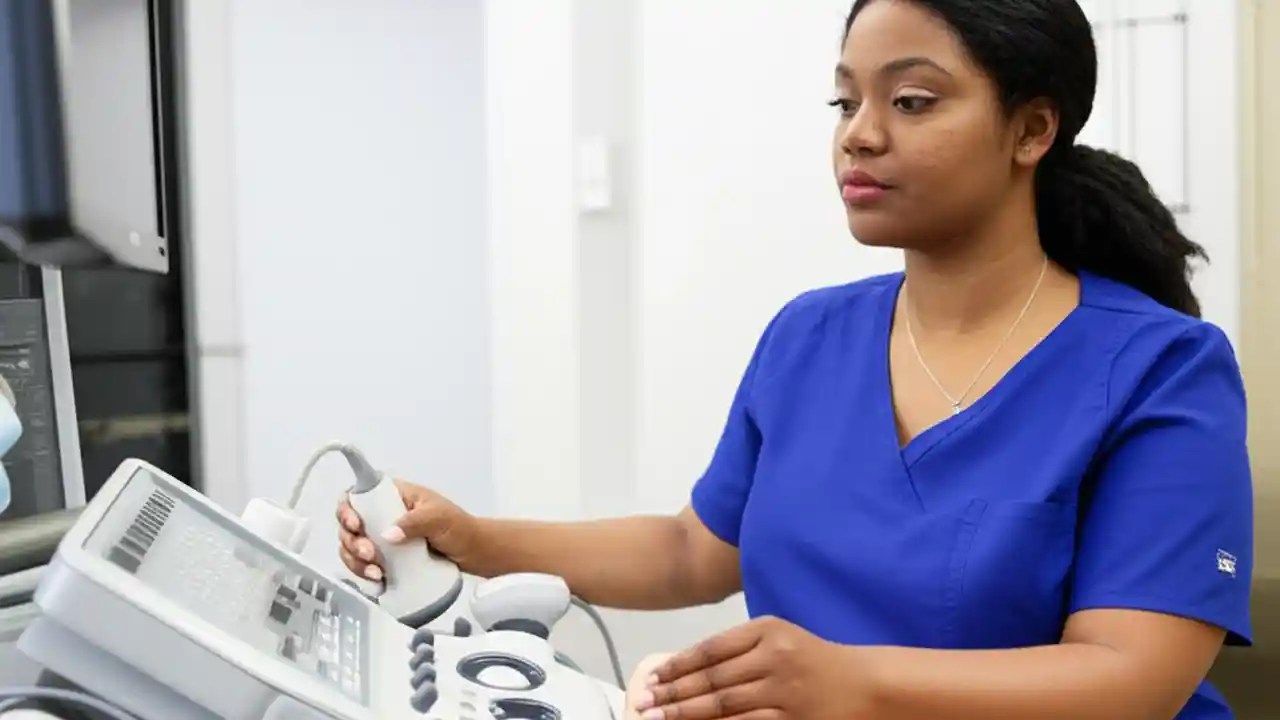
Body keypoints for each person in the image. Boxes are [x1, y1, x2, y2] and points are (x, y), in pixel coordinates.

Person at [337, 0, 1254, 717]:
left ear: (1032, 130)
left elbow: (1132, 681)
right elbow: (695, 548)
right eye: (845, 100)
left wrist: (851, 688)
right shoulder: (810, 337)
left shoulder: (1163, 369)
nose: (859, 131)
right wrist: (477, 541)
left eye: (912, 100)